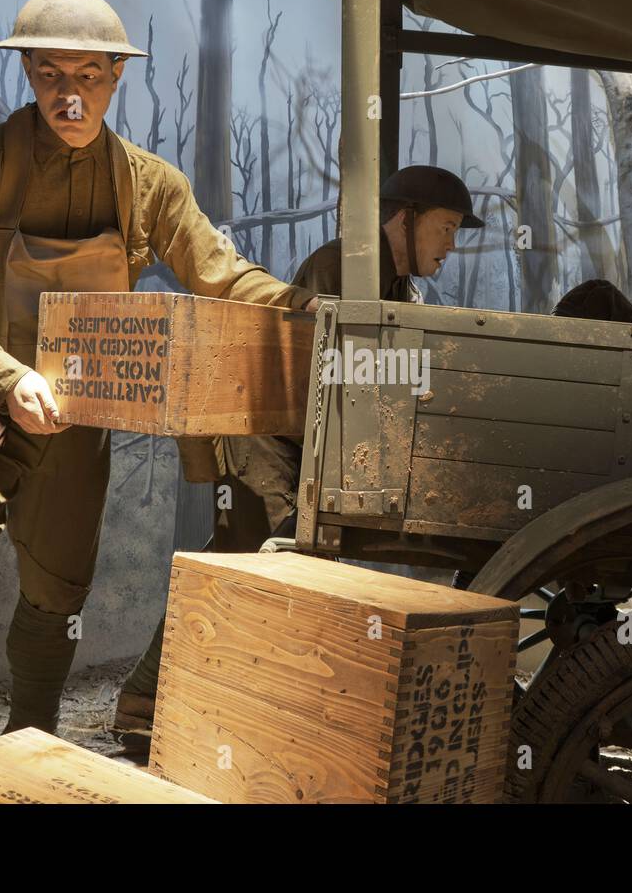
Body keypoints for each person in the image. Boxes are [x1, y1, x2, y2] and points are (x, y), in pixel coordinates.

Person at [0, 0, 317, 751]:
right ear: (28, 76)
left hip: (72, 428)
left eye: (87, 76)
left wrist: (307, 311)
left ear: (117, 77)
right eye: (51, 74)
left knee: (58, 595)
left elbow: (221, 276)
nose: (69, 95)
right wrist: (4, 377)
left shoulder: (147, 187)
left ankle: (31, 747)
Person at [111, 165, 483, 750]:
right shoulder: (344, 267)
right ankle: (152, 704)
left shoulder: (394, 287)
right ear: (403, 219)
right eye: (447, 227)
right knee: (257, 564)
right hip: (267, 439)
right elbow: (333, 385)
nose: (451, 244)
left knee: (245, 563)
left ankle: (163, 702)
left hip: (306, 449)